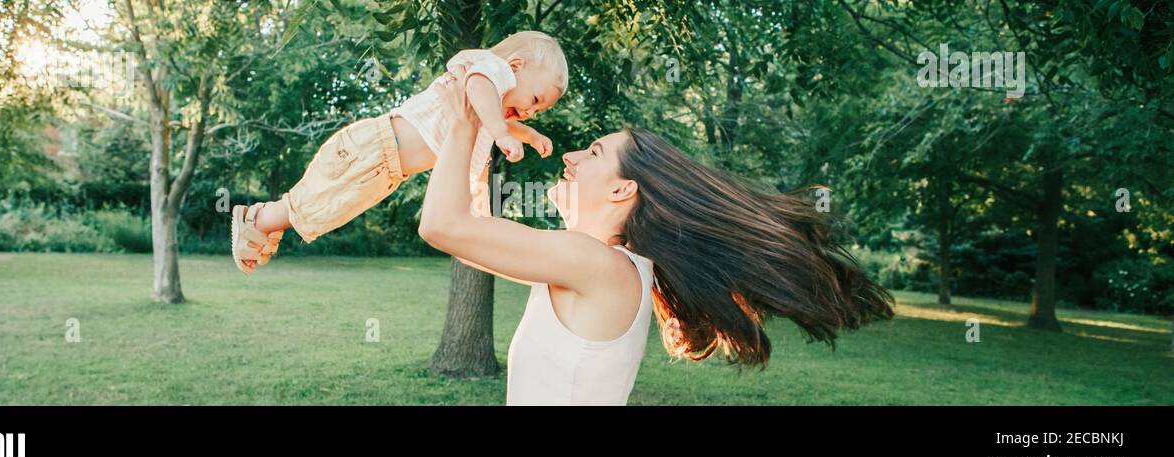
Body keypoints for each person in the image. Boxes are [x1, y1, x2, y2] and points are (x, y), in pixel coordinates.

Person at [417, 66, 895, 405]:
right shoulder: (604, 265)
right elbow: (471, 233)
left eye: (594, 152)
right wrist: (482, 141)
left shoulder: (594, 265)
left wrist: (466, 119)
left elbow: (441, 226)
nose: (571, 157)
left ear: (624, 188)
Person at [229, 31, 567, 273]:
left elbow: (500, 116)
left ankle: (268, 222)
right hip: (375, 147)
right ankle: (257, 220)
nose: (529, 111)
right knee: (318, 202)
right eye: (535, 100)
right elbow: (480, 87)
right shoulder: (490, 71)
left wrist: (528, 133)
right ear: (516, 65)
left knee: (328, 210)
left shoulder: (491, 107)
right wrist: (500, 133)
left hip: (387, 168)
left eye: (538, 112)